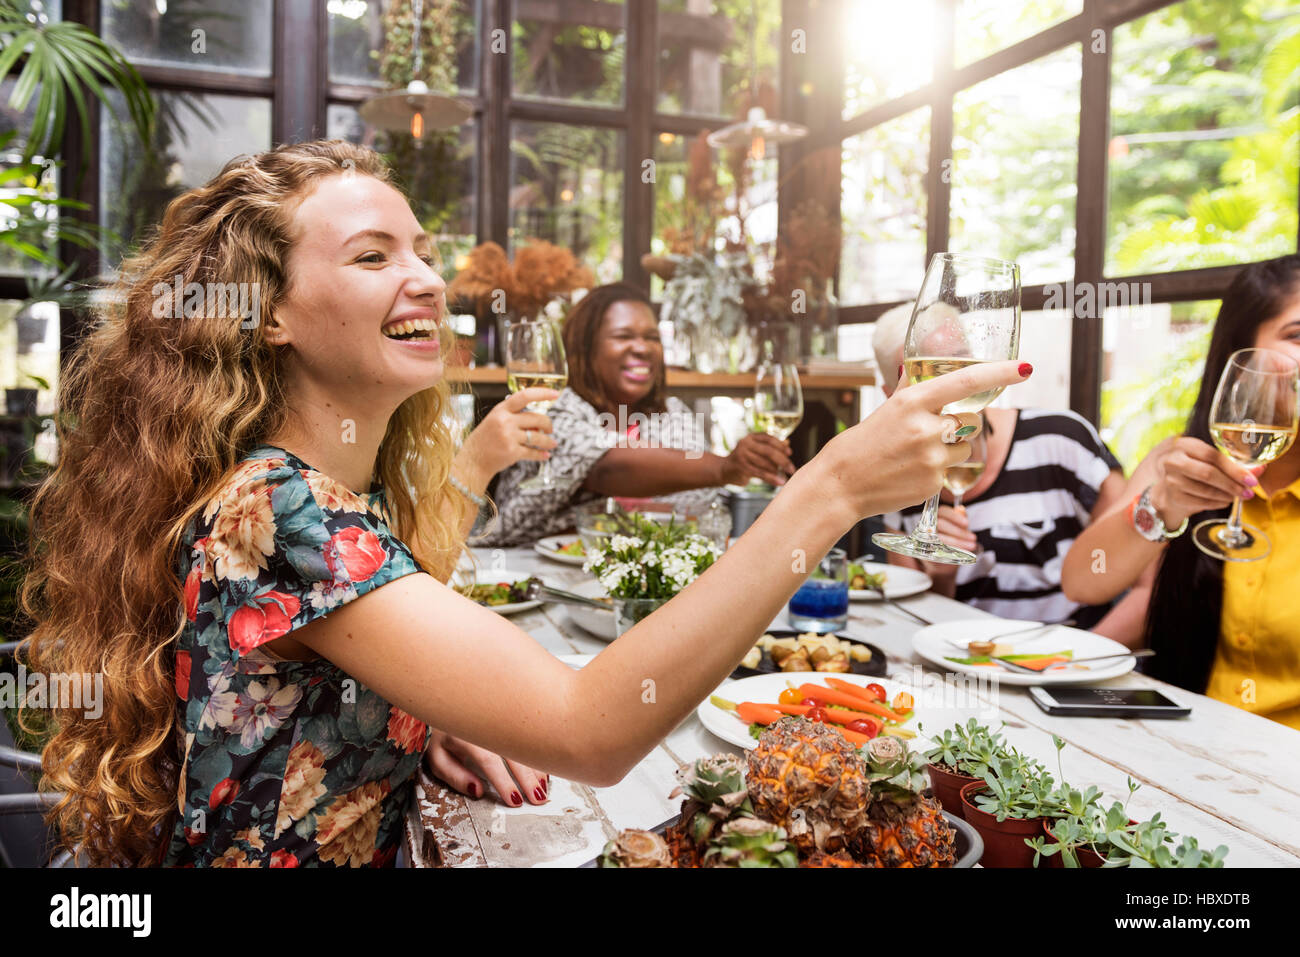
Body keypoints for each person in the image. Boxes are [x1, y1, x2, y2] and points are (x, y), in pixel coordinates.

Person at [21, 140, 1029, 867]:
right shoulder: (279, 508)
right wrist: (831, 488)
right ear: (272, 313)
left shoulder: (314, 485)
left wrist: (401, 715)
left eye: (420, 249)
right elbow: (589, 728)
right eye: (373, 257)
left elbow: (304, 691)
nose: (424, 278)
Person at [1061, 254, 1300, 727]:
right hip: (1188, 754)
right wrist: (1163, 506)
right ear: (1242, 353)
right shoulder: (1184, 463)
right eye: (1297, 335)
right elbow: (1085, 581)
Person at [871, 303, 1142, 637]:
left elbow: (1147, 577)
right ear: (889, 395)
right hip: (965, 664)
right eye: (923, 377)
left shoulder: (1060, 440)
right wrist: (943, 576)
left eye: (957, 364)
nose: (949, 386)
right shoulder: (898, 482)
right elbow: (918, 623)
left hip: (1072, 661)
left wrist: (1079, 663)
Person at [475, 282, 796, 546]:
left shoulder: (673, 414)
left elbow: (697, 504)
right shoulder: (556, 405)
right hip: (526, 574)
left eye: (651, 337)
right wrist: (726, 466)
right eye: (624, 336)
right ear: (587, 349)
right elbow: (605, 467)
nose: (642, 348)